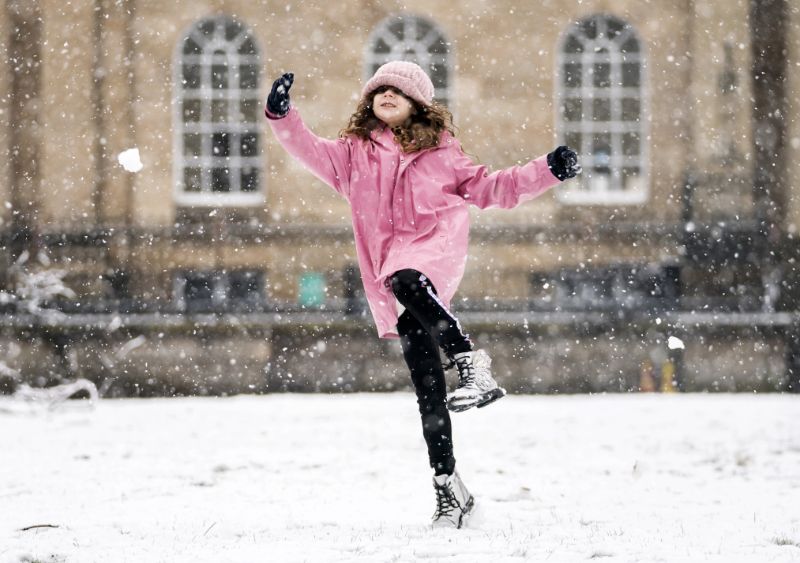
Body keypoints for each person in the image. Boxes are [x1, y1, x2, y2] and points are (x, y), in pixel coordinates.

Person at [264, 61, 580, 528]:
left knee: (406, 279)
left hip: (432, 255)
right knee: (426, 383)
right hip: (391, 266)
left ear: (418, 104)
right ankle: (449, 488)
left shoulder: (444, 153)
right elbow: (305, 147)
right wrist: (281, 114)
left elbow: (493, 188)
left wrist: (547, 171)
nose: (386, 95)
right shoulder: (352, 155)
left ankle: (473, 365)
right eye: (379, 89)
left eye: (397, 90)